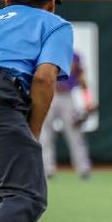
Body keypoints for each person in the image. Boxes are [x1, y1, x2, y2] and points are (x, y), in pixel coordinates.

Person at [0, 0, 73, 222]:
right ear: (52, 3)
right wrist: (34, 130)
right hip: (4, 97)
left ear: (7, 1)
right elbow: (44, 79)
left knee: (4, 193)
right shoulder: (54, 24)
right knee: (26, 195)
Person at [40, 51, 95, 179]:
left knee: (75, 133)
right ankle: (47, 169)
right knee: (45, 134)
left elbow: (82, 78)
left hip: (67, 97)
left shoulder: (74, 55)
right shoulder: (45, 52)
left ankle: (83, 169)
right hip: (49, 95)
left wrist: (88, 100)